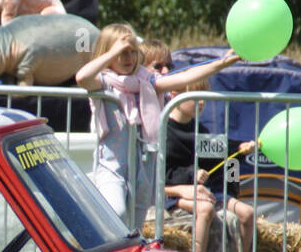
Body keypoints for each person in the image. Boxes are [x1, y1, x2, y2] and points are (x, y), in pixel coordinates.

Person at [76, 26, 240, 230]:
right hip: (112, 168)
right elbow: (82, 77)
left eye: (132, 52)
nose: (128, 58)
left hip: (142, 169)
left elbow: (185, 78)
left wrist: (221, 63)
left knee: (134, 228)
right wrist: (111, 53)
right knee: (116, 212)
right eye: (122, 53)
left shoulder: (147, 82)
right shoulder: (102, 83)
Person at [162, 92, 256, 252]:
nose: (202, 102)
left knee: (248, 213)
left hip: (205, 191)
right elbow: (164, 174)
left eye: (204, 97)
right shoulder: (163, 130)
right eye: (196, 97)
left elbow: (221, 153)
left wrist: (240, 149)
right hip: (172, 194)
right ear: (175, 96)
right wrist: (192, 175)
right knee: (205, 209)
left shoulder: (200, 130)